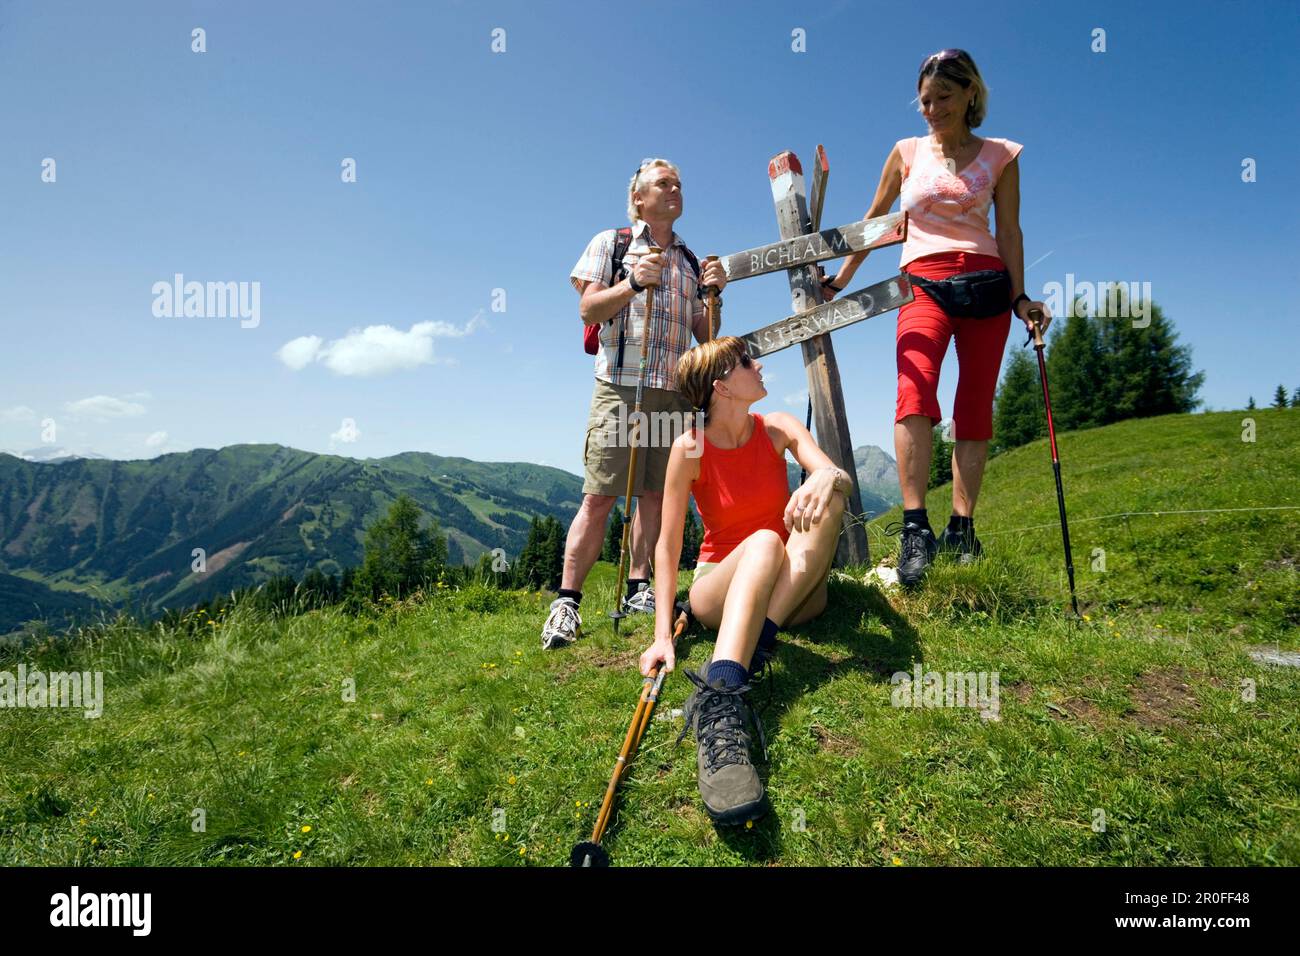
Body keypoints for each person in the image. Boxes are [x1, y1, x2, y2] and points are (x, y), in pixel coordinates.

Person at [823, 48, 1052, 586]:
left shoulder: (1002, 155)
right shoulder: (906, 152)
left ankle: (962, 529)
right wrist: (841, 279)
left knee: (973, 404)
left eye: (944, 98)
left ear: (971, 92)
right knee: (915, 392)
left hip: (988, 285)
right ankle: (914, 528)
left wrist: (1022, 299)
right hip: (921, 282)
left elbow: (1011, 232)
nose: (932, 109)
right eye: (925, 101)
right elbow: (875, 221)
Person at [638, 336, 853, 824]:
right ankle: (723, 693)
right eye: (746, 362)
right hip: (722, 585)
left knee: (830, 496)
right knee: (763, 541)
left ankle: (755, 644)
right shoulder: (689, 448)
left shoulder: (778, 427)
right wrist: (660, 635)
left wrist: (826, 476)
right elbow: (667, 545)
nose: (759, 367)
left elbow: (835, 479)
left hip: (794, 590)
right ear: (722, 387)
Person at [541, 159, 729, 649]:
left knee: (656, 496)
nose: (675, 190)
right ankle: (567, 603)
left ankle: (640, 587)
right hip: (621, 386)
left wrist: (715, 295)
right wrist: (633, 284)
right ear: (639, 199)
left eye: (679, 184)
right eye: (664, 184)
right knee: (600, 494)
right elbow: (587, 308)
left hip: (673, 389)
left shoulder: (689, 262)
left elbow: (706, 335)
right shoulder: (613, 243)